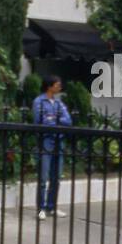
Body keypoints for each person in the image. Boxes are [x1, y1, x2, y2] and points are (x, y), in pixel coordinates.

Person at [32, 74, 72, 219]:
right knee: (43, 177)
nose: (59, 87)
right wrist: (55, 120)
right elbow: (40, 122)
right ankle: (40, 208)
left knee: (57, 177)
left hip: (59, 141)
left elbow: (68, 121)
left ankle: (52, 207)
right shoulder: (39, 102)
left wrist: (53, 119)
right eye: (57, 84)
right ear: (49, 86)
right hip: (45, 141)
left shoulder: (59, 103)